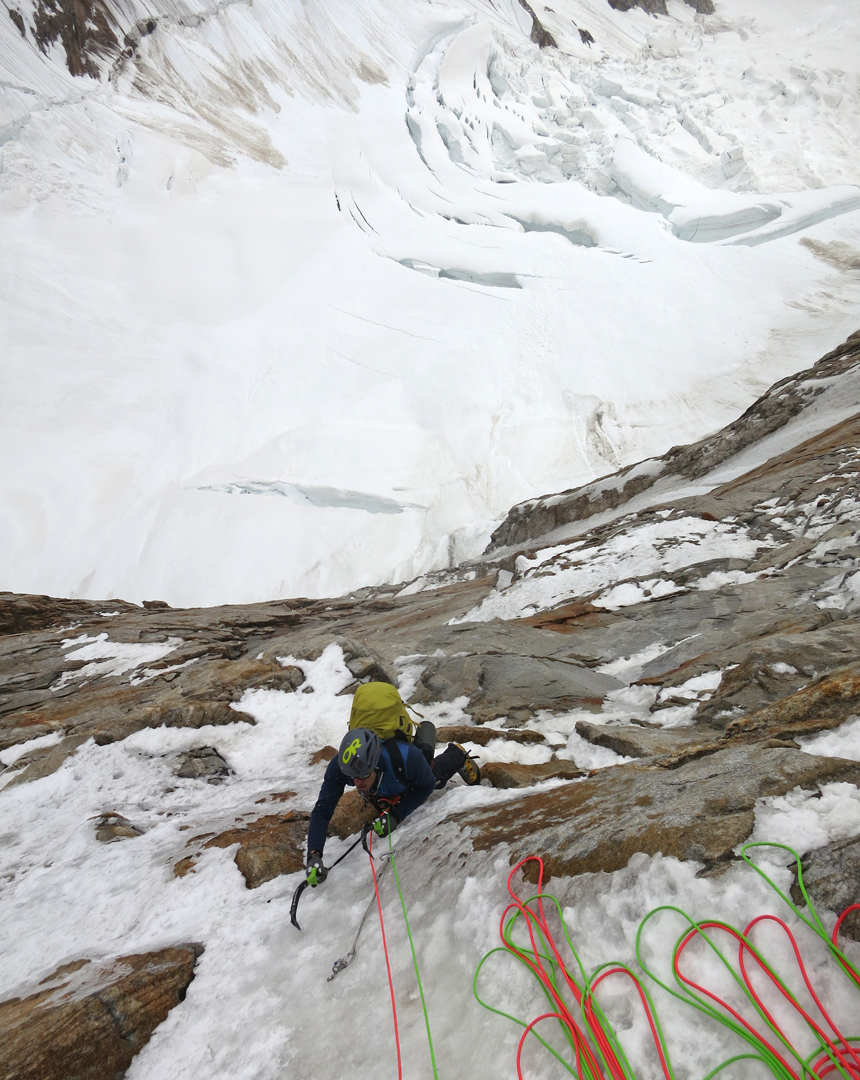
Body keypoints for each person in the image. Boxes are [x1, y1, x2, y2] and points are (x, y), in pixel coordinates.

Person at [305, 722, 480, 883]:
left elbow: (425, 787)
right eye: (353, 777)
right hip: (384, 780)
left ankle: (457, 754)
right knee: (380, 796)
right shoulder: (341, 766)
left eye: (363, 775)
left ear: (375, 764)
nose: (357, 782)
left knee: (435, 778)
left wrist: (397, 815)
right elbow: (323, 809)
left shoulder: (407, 758)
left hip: (401, 771)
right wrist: (314, 853)